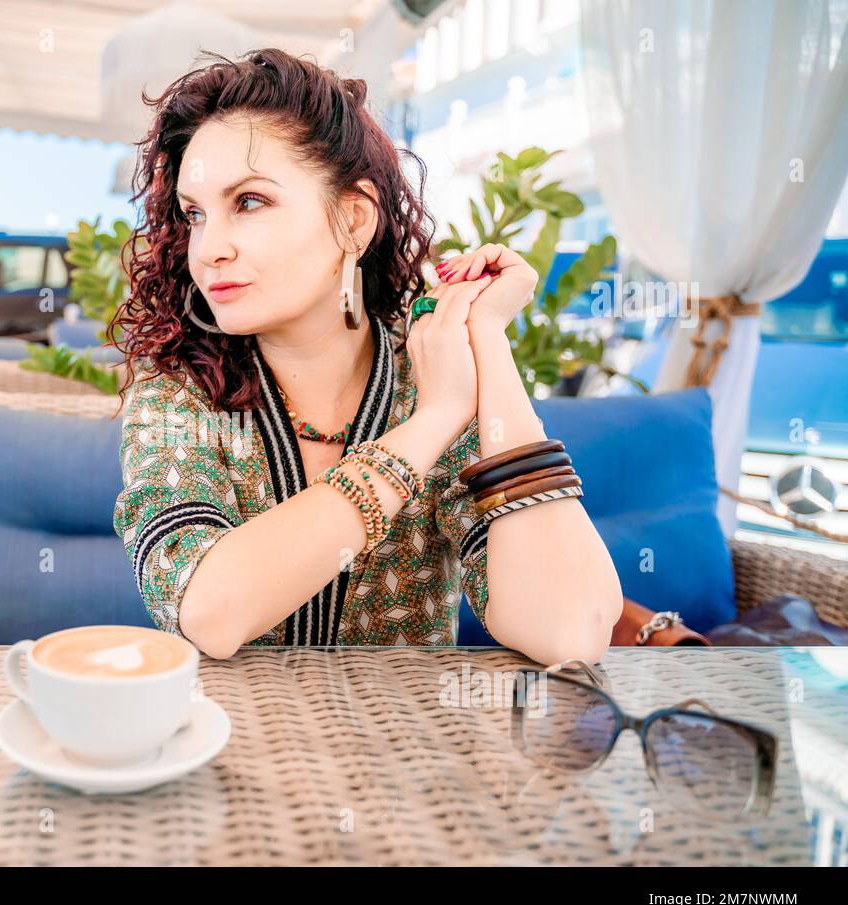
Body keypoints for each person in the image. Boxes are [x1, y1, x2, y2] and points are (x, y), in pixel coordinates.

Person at [109, 49, 622, 664]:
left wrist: (484, 336)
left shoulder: (427, 375)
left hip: (409, 727)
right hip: (223, 725)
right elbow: (210, 611)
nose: (208, 247)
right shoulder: (179, 392)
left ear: (353, 220)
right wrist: (432, 422)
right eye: (195, 214)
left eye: (248, 201)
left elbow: (571, 631)